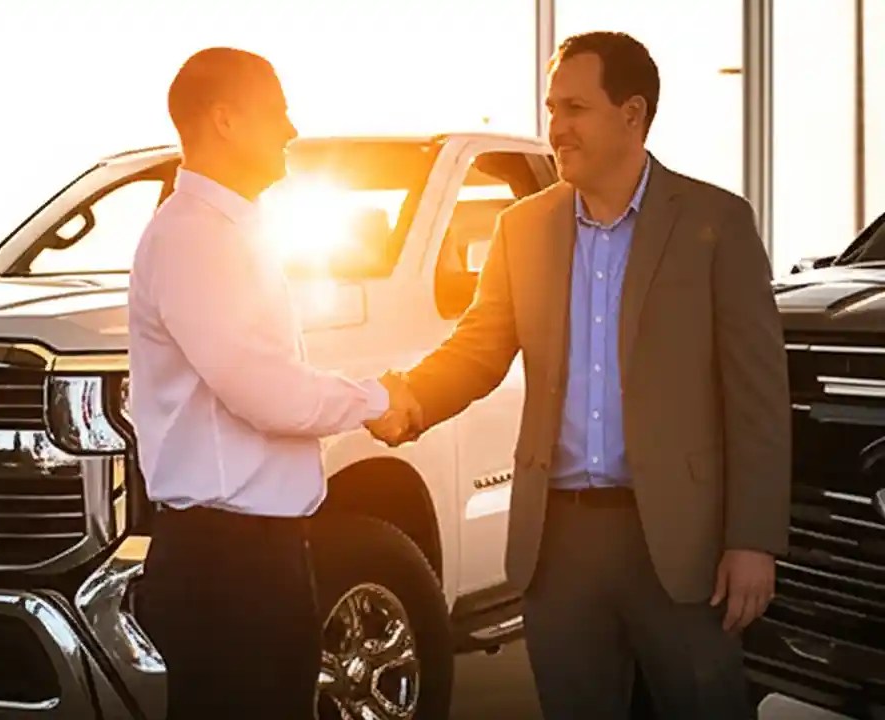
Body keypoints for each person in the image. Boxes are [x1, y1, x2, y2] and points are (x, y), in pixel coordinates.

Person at [369, 31, 790, 719]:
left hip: (682, 546)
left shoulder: (717, 222)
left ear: (632, 113)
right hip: (556, 547)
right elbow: (479, 348)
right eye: (550, 108)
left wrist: (753, 539)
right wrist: (409, 398)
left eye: (574, 109)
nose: (555, 128)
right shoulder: (522, 229)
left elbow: (758, 399)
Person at [127, 47, 416, 719]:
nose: (290, 129)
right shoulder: (194, 238)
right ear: (225, 120)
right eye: (277, 110)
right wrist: (377, 398)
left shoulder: (232, 232)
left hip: (250, 553)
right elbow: (266, 393)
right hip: (227, 563)